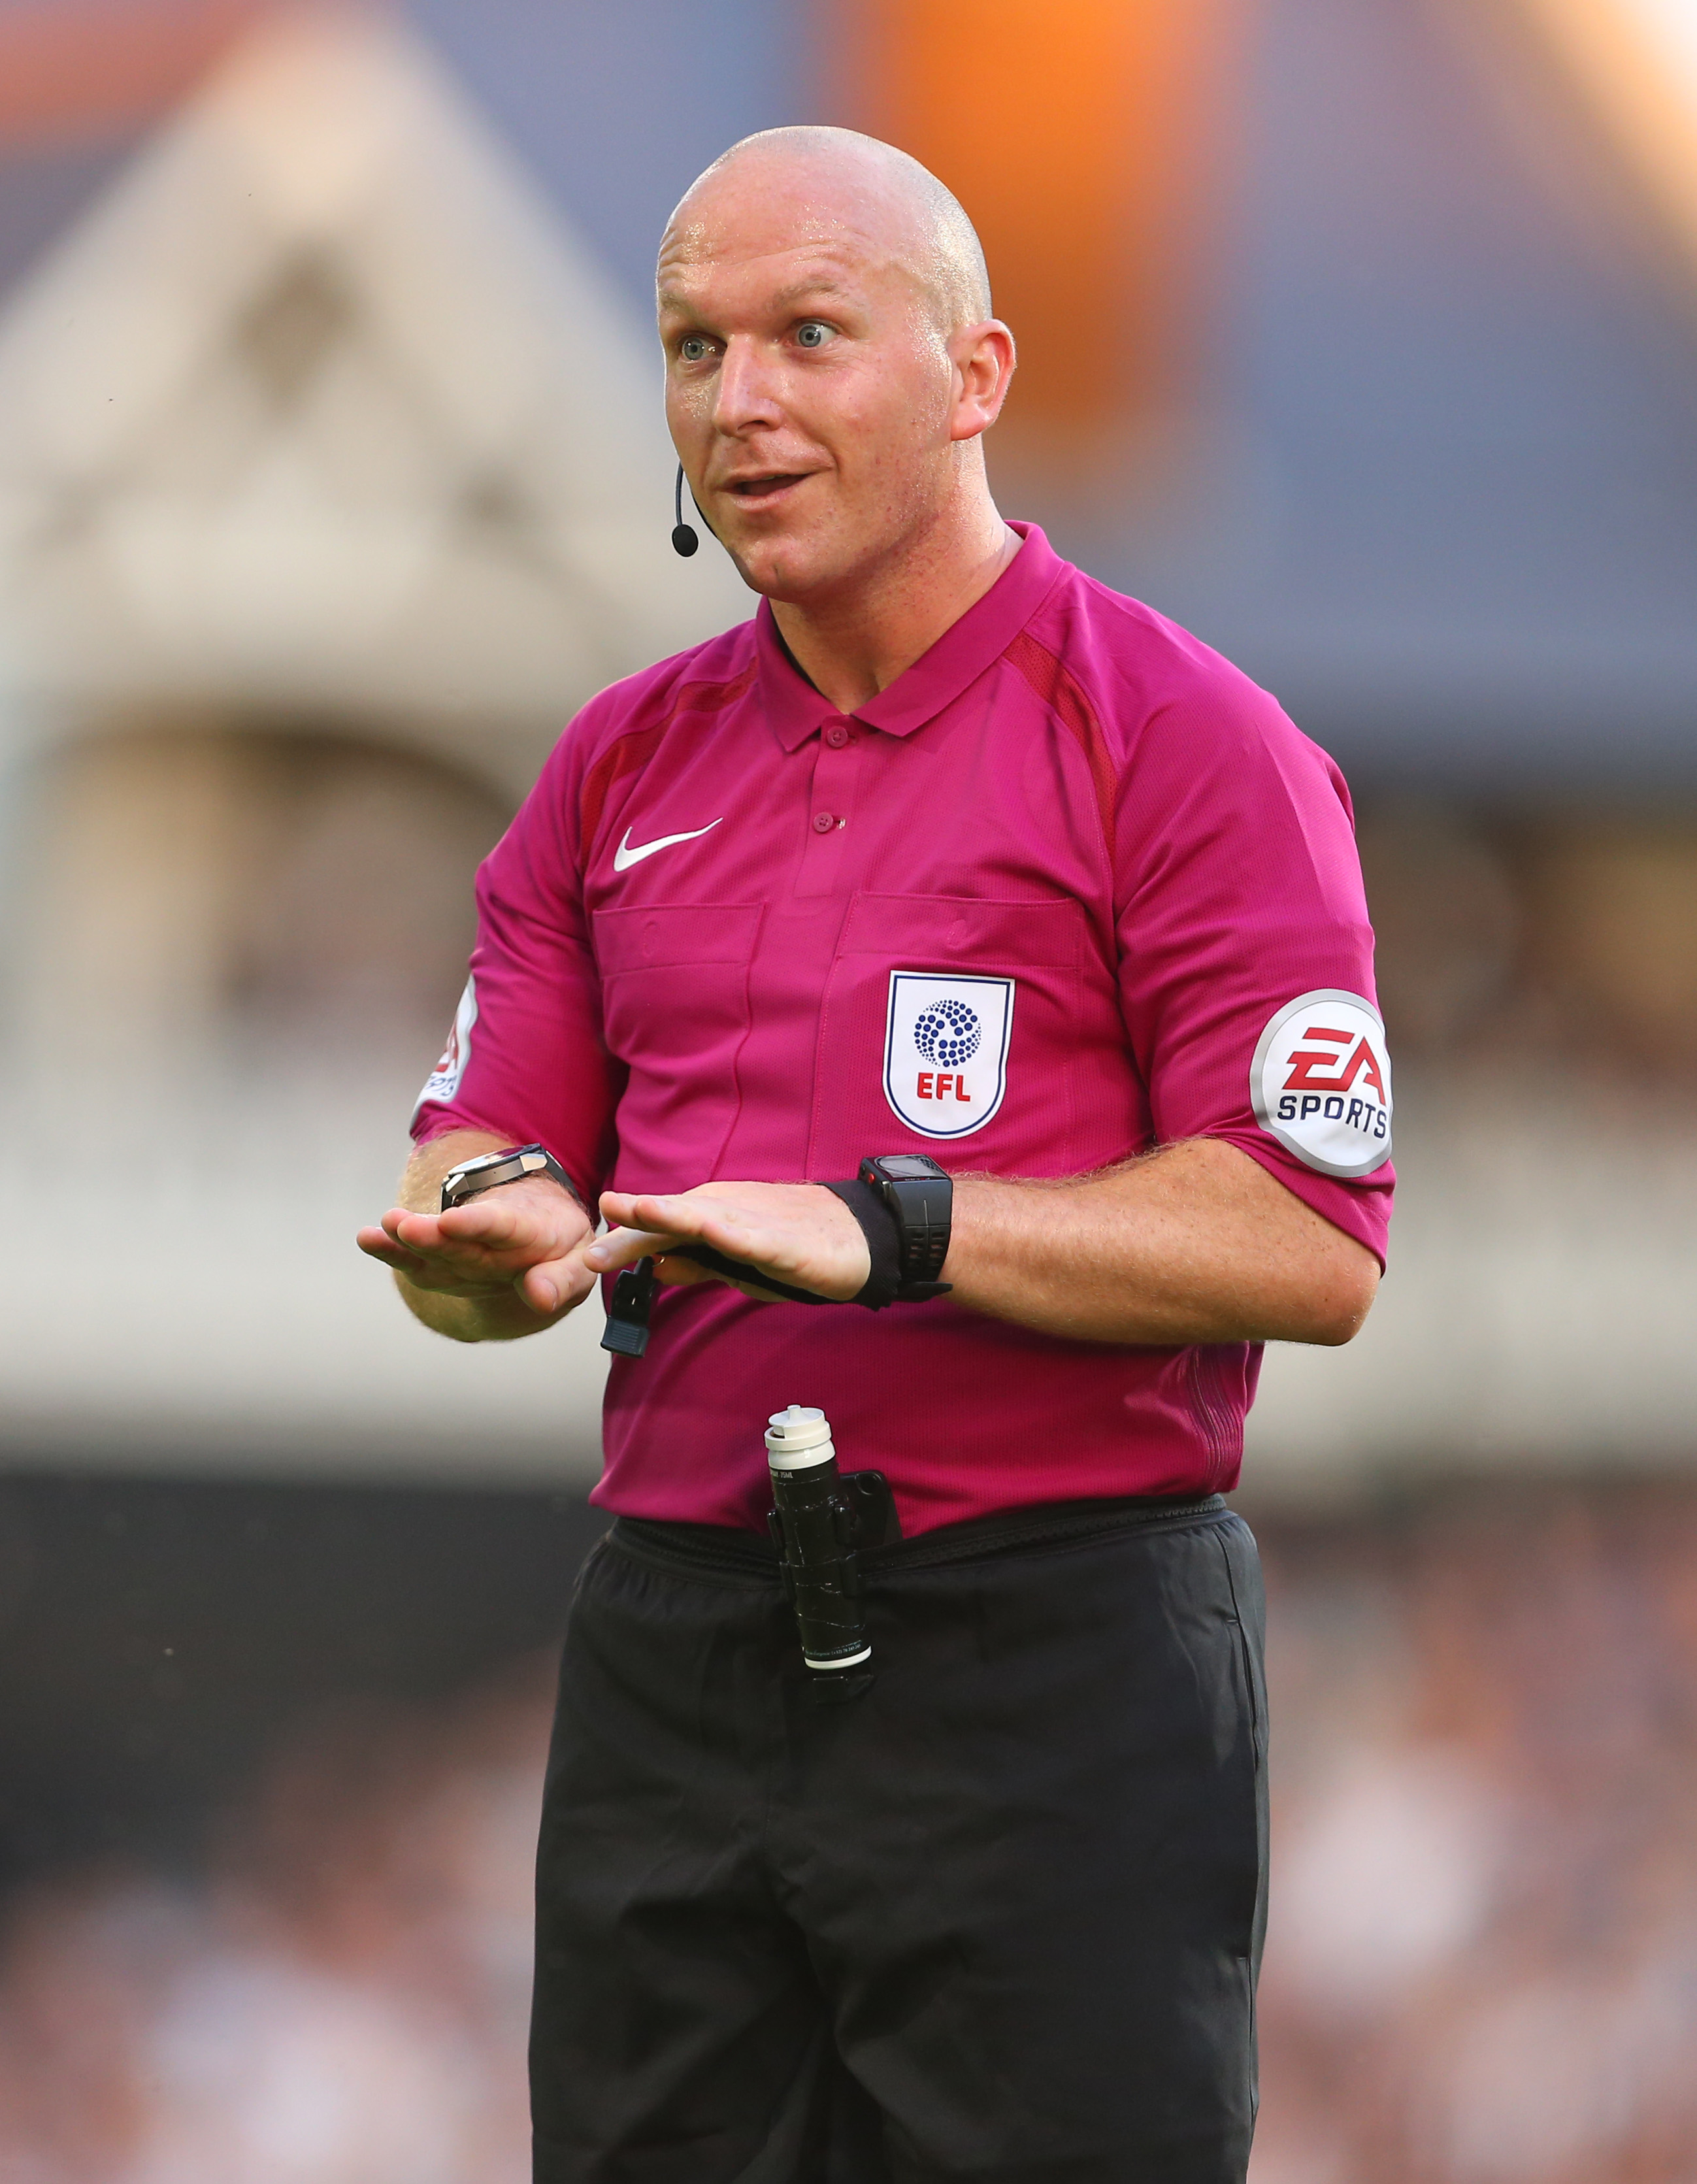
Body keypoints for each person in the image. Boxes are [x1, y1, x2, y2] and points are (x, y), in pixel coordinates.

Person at [357, 126, 1391, 2184]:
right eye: (695, 347)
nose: (740, 404)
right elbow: (495, 1146)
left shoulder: (1186, 742)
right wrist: (487, 1237)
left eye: (809, 336)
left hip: (1050, 1649)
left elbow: (1309, 1237)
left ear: (976, 372)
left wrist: (890, 1227)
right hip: (679, 1639)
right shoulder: (616, 763)